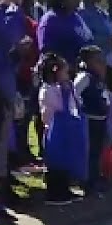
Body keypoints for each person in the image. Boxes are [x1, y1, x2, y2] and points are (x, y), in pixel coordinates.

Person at [38, 52, 86, 204]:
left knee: (65, 161)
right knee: (55, 162)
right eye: (64, 71)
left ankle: (65, 190)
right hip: (54, 131)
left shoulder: (63, 88)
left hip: (65, 130)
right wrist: (64, 92)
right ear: (55, 72)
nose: (68, 74)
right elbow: (56, 110)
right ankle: (54, 193)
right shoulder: (48, 90)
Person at [74, 44, 110, 196]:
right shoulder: (85, 77)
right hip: (90, 120)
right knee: (91, 152)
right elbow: (74, 93)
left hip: (100, 119)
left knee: (98, 151)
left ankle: (95, 178)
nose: (101, 62)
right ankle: (88, 182)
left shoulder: (98, 78)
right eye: (97, 59)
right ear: (88, 61)